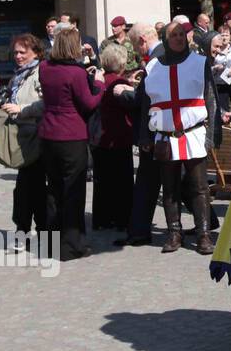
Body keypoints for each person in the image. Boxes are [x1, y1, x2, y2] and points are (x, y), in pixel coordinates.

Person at [137, 21, 221, 253]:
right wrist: (144, 135)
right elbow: (146, 104)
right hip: (164, 138)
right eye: (173, 35)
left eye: (181, 34)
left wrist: (213, 135)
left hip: (193, 134)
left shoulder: (199, 62)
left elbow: (210, 98)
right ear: (165, 39)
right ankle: (174, 233)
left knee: (200, 187)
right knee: (170, 188)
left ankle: (204, 235)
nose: (178, 38)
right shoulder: (152, 67)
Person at [37, 25, 104, 258]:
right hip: (71, 135)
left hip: (48, 134)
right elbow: (89, 103)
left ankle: (52, 243)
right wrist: (101, 85)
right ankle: (71, 245)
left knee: (54, 190)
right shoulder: (75, 73)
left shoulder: (44, 68)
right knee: (73, 191)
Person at [0, 34, 54, 239]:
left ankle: (25, 230)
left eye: (23, 52)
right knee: (32, 186)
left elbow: (46, 102)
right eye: (15, 52)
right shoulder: (19, 75)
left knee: (27, 187)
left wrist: (20, 108)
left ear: (36, 52)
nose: (18, 56)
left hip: (37, 135)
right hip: (23, 135)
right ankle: (37, 229)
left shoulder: (41, 71)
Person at [116, 22, 163, 248]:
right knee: (178, 181)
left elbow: (144, 102)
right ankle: (206, 221)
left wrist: (124, 93)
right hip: (164, 129)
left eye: (136, 46)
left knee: (146, 184)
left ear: (142, 40)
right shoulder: (163, 55)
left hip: (155, 131)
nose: (136, 51)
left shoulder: (156, 60)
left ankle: (138, 231)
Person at [90, 43, 136, 231]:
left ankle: (101, 219)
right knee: (122, 180)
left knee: (102, 180)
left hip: (100, 137)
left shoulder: (98, 81)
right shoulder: (120, 83)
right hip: (119, 136)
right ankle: (122, 218)